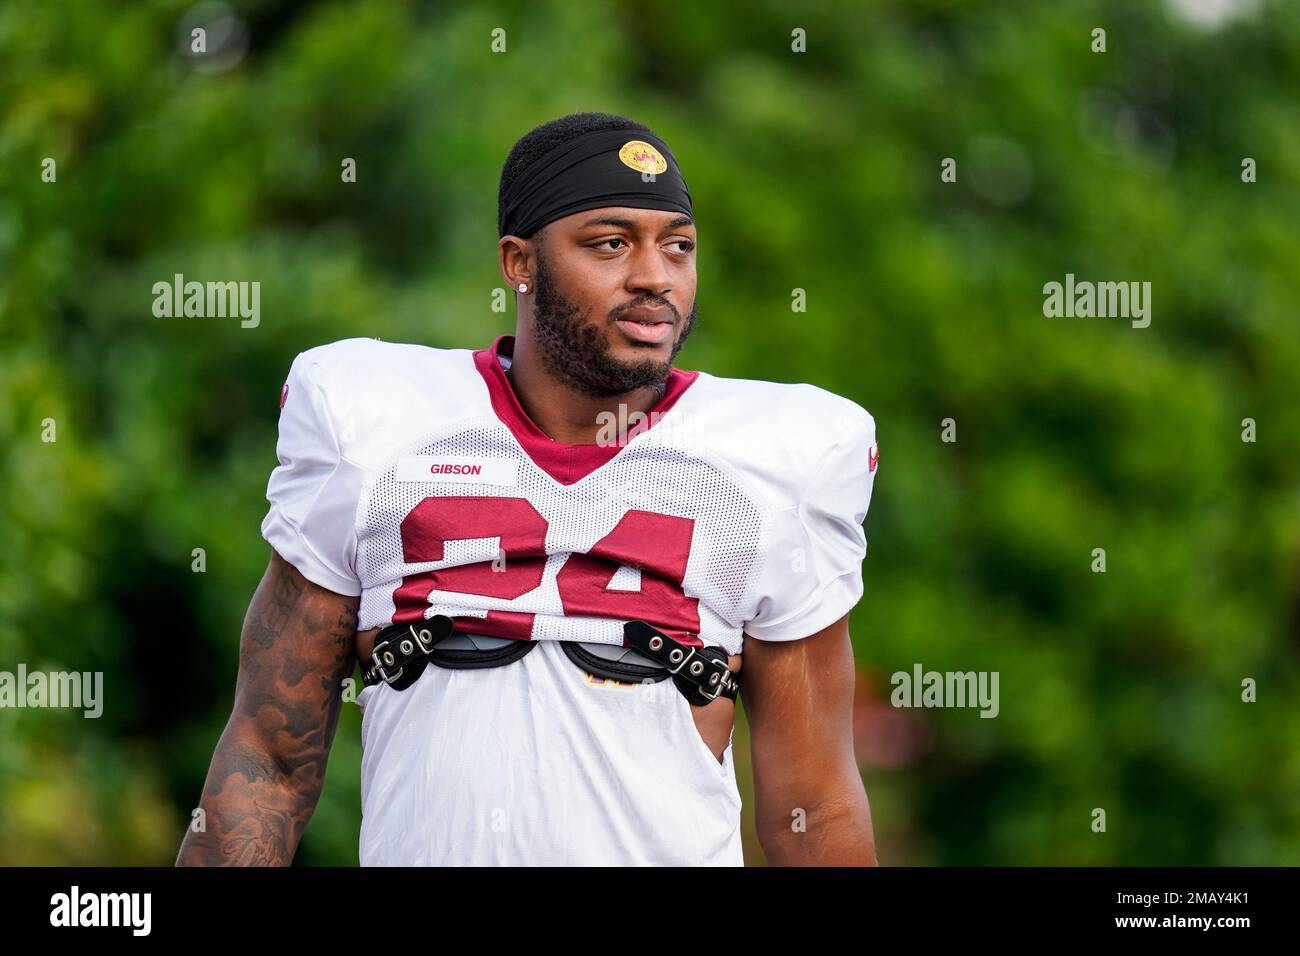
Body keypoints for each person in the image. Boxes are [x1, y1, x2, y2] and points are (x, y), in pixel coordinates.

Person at [177, 111, 880, 866]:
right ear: (520, 261)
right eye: (611, 244)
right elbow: (269, 763)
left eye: (678, 246)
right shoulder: (372, 429)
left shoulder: (774, 464)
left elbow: (816, 804)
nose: (653, 276)